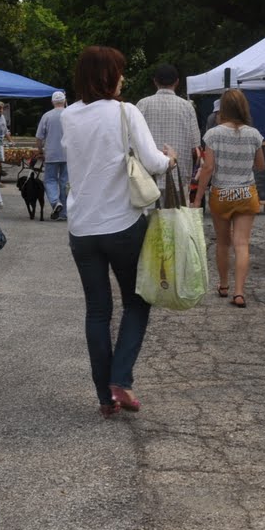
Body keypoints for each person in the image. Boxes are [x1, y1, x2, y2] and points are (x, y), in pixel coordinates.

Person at [62, 45, 174, 417]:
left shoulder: (69, 116)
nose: (124, 78)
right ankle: (120, 379)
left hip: (82, 227)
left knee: (97, 310)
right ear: (109, 76)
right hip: (123, 224)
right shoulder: (126, 112)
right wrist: (170, 157)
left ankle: (103, 396)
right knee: (137, 301)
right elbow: (155, 163)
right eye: (120, 72)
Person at [195, 88, 265, 308]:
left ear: (222, 109)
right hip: (246, 193)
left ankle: (224, 285)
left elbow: (208, 168)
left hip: (221, 194)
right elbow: (261, 166)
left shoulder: (213, 134)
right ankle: (239, 293)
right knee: (242, 244)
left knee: (223, 243)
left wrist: (197, 199)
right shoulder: (254, 134)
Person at [136, 63, 200, 196]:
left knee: (150, 216)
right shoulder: (187, 107)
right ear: (177, 82)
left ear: (155, 81)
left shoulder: (142, 104)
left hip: (147, 178)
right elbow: (196, 147)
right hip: (179, 179)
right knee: (175, 217)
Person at [35, 90, 70, 220]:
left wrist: (40, 150)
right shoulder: (70, 115)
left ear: (52, 102)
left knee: (49, 180)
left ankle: (55, 202)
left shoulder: (47, 116)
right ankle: (64, 213)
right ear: (65, 101)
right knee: (65, 182)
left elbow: (39, 137)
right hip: (68, 154)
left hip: (51, 154)